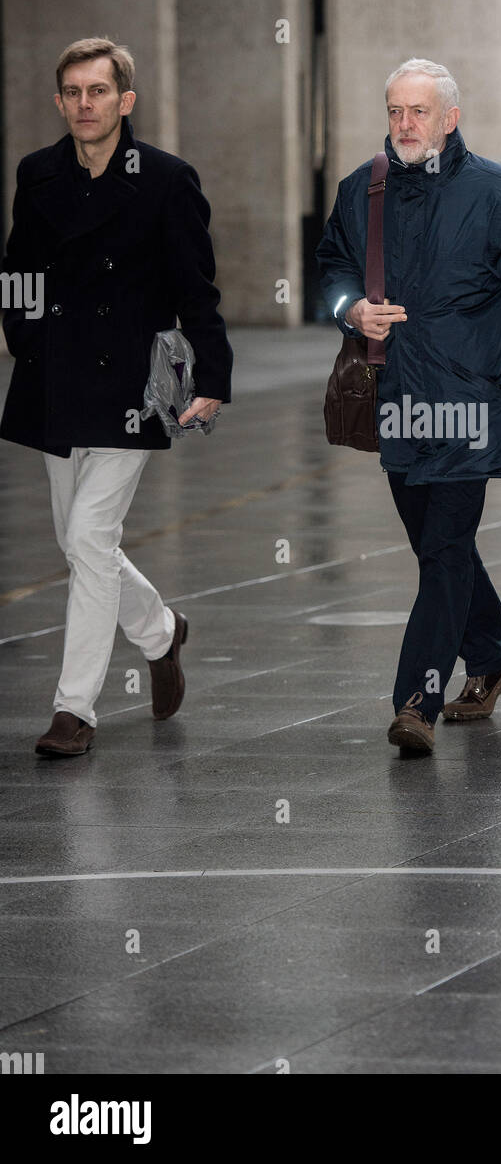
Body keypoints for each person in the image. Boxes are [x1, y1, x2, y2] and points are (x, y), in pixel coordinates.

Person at [317, 58, 501, 754]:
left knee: (441, 551)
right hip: (397, 402)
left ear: (451, 118)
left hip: (473, 405)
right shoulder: (362, 190)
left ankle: (416, 701)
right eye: (394, 112)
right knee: (440, 547)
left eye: (419, 112)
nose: (405, 126)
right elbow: (332, 265)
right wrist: (353, 310)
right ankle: (493, 657)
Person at [0, 37, 233, 757]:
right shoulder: (38, 173)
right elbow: (19, 268)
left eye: (97, 91)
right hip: (55, 378)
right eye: (71, 92)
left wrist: (212, 381)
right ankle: (163, 633)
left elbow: (198, 287)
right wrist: (22, 336)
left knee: (90, 539)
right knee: (81, 543)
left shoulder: (166, 179)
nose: (83, 105)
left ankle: (75, 711)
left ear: (125, 100)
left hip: (132, 385)